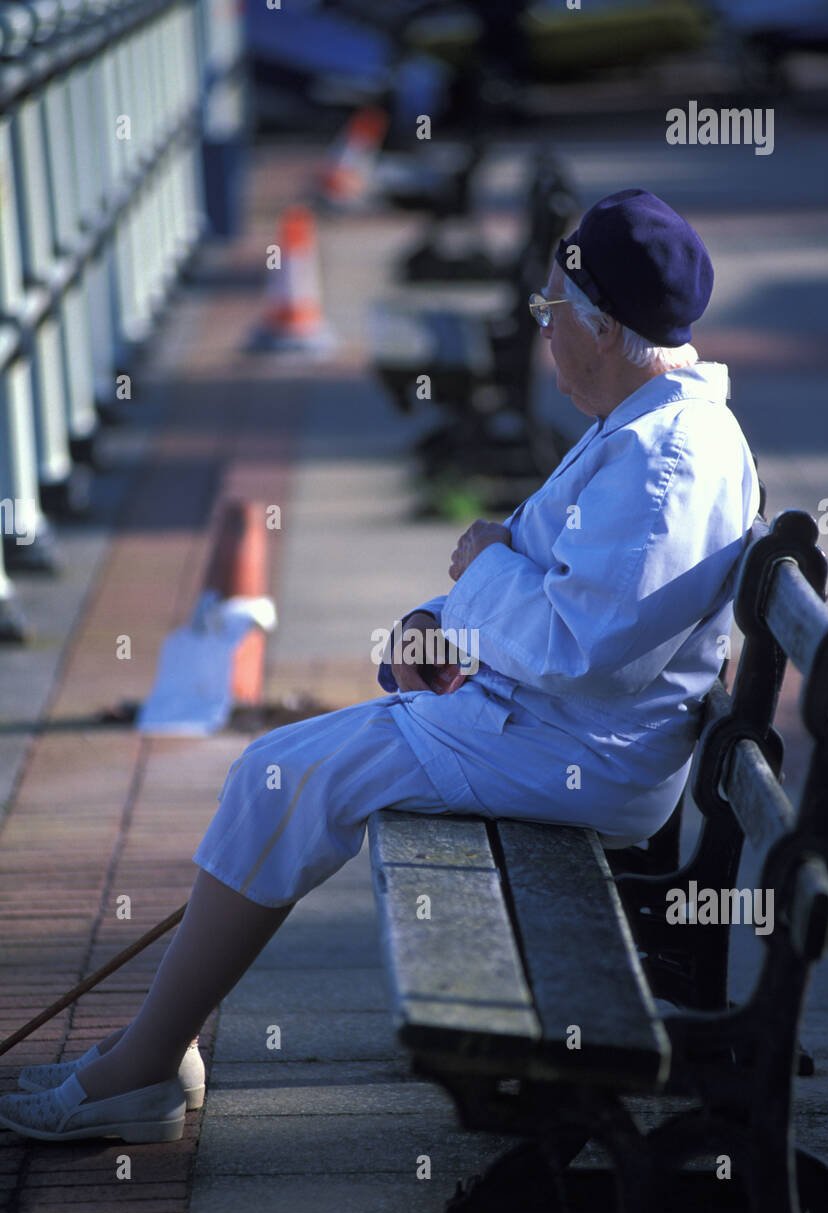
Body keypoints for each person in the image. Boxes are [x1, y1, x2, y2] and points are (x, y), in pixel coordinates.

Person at [0, 188, 759, 1142]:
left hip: (583, 754)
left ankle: (146, 1065)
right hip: (555, 731)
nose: (544, 335)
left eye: (549, 314)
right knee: (277, 779)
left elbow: (585, 649)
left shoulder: (665, 460)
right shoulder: (648, 427)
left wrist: (479, 574)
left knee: (275, 777)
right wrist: (434, 625)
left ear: (600, 326)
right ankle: (153, 1052)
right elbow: (549, 591)